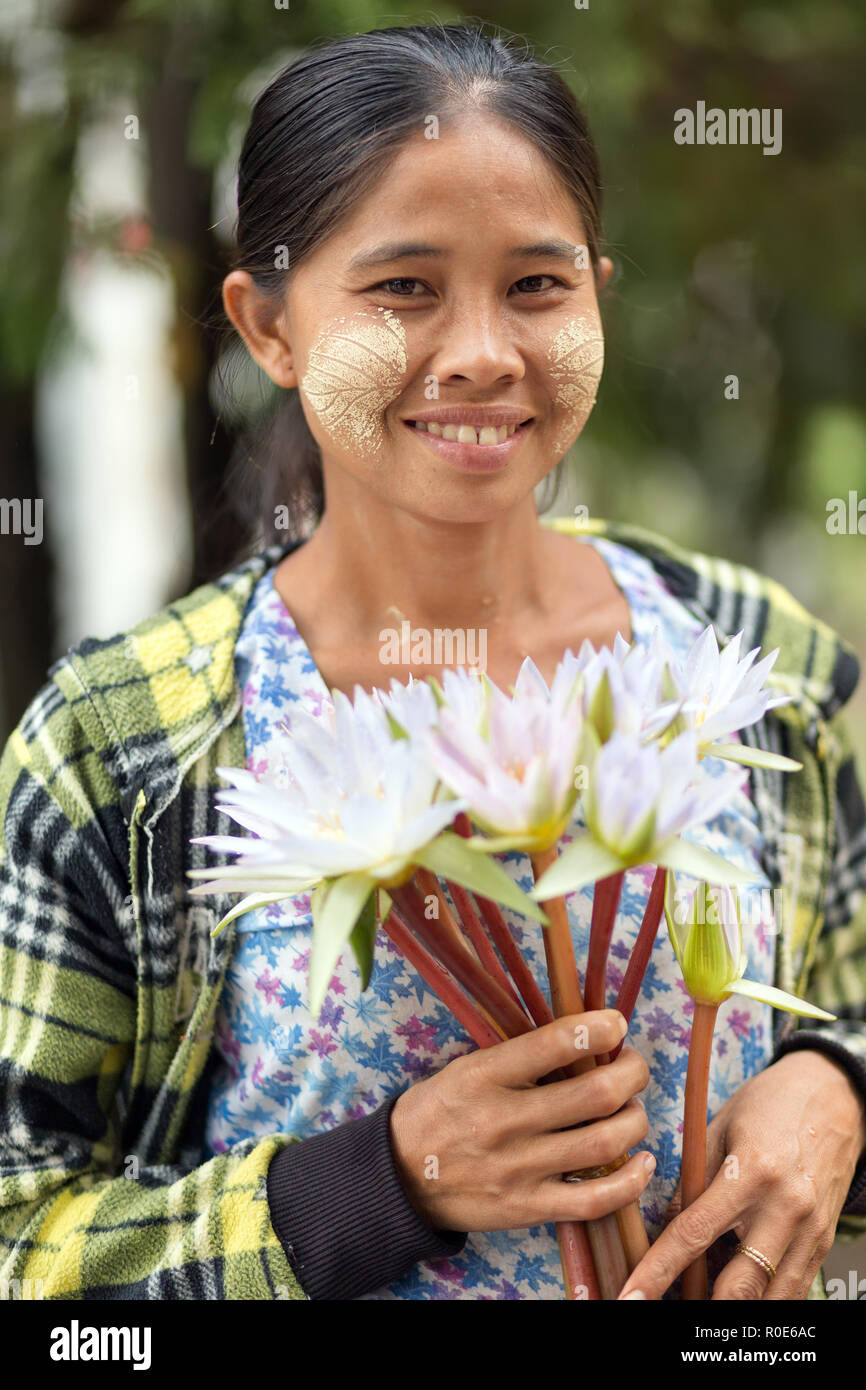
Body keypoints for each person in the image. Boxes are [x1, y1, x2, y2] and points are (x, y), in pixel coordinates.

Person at [1, 22, 864, 1303]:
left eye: (536, 284)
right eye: (403, 288)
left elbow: (839, 1007)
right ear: (270, 326)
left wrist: (837, 1086)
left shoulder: (749, 665)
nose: (481, 352)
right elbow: (22, 1240)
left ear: (597, 293)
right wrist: (376, 1184)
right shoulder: (122, 745)